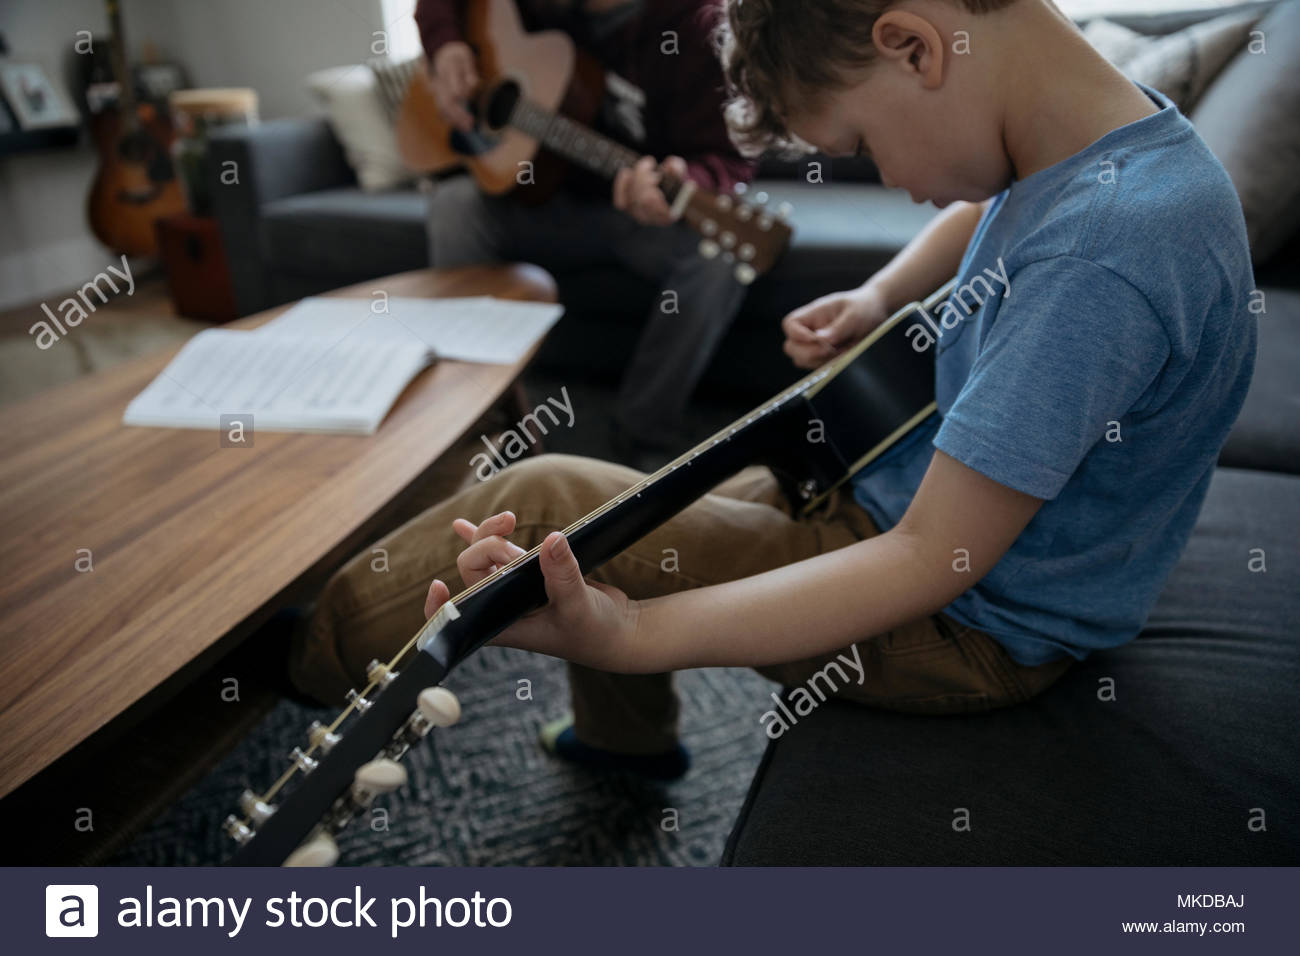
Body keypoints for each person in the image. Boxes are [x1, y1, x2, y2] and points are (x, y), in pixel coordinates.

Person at [291, 0, 1255, 781]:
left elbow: (933, 558)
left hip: (964, 626)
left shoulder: (1106, 256)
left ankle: (288, 665)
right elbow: (995, 208)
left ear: (913, 46)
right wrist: (882, 293)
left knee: (548, 501)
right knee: (630, 515)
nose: (897, 182)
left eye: (864, 145)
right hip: (895, 496)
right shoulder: (1101, 140)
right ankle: (625, 744)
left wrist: (637, 635)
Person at [416, 0, 755, 465]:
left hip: (640, 219)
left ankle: (641, 438)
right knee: (455, 206)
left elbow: (732, 157)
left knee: (722, 256)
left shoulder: (698, 24)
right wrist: (446, 44)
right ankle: (475, 421)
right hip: (539, 203)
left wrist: (687, 179)